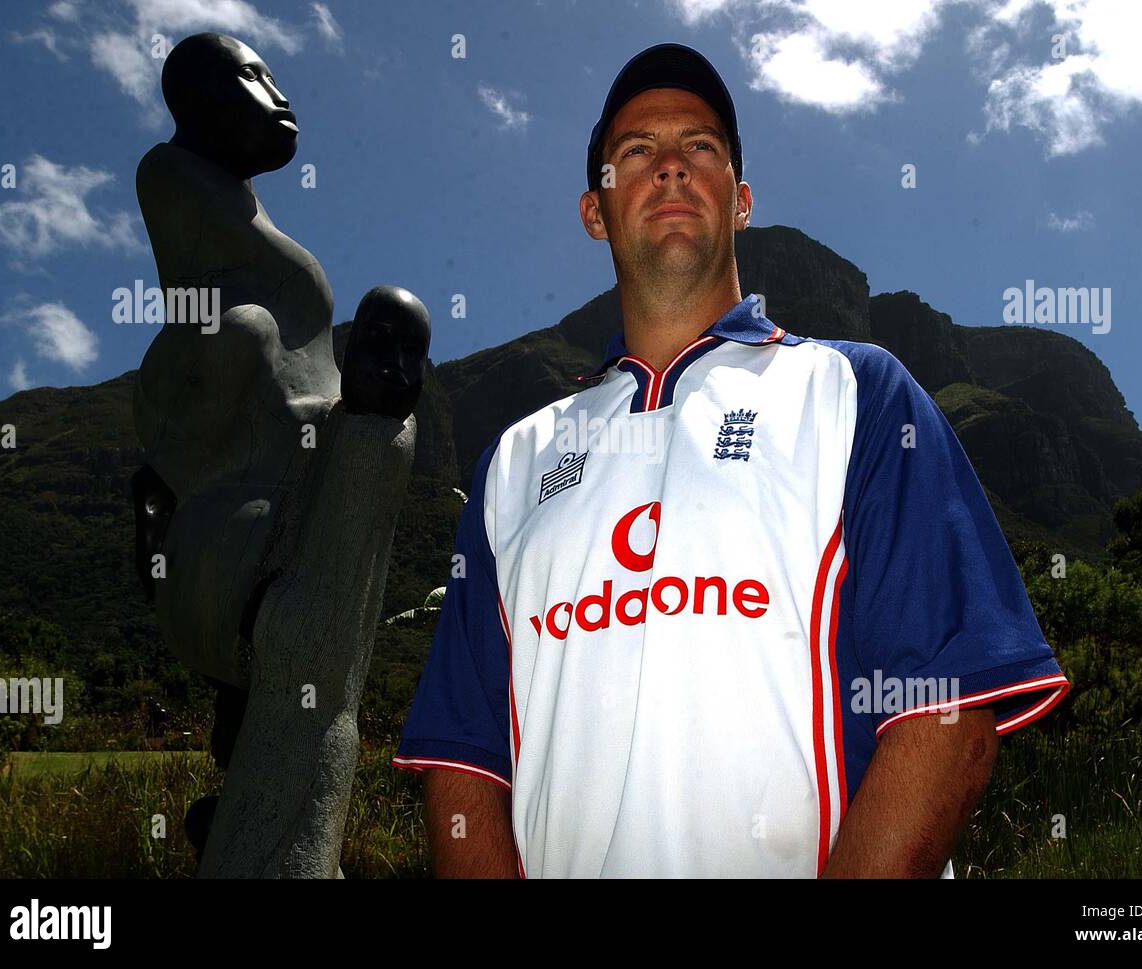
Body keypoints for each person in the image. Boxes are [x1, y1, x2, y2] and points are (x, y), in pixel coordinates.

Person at [393, 43, 1070, 878]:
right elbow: (464, 761)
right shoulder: (512, 462)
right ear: (595, 211)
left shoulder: (858, 393)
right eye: (636, 151)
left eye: (701, 147)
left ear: (740, 200)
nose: (671, 166)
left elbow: (946, 713)